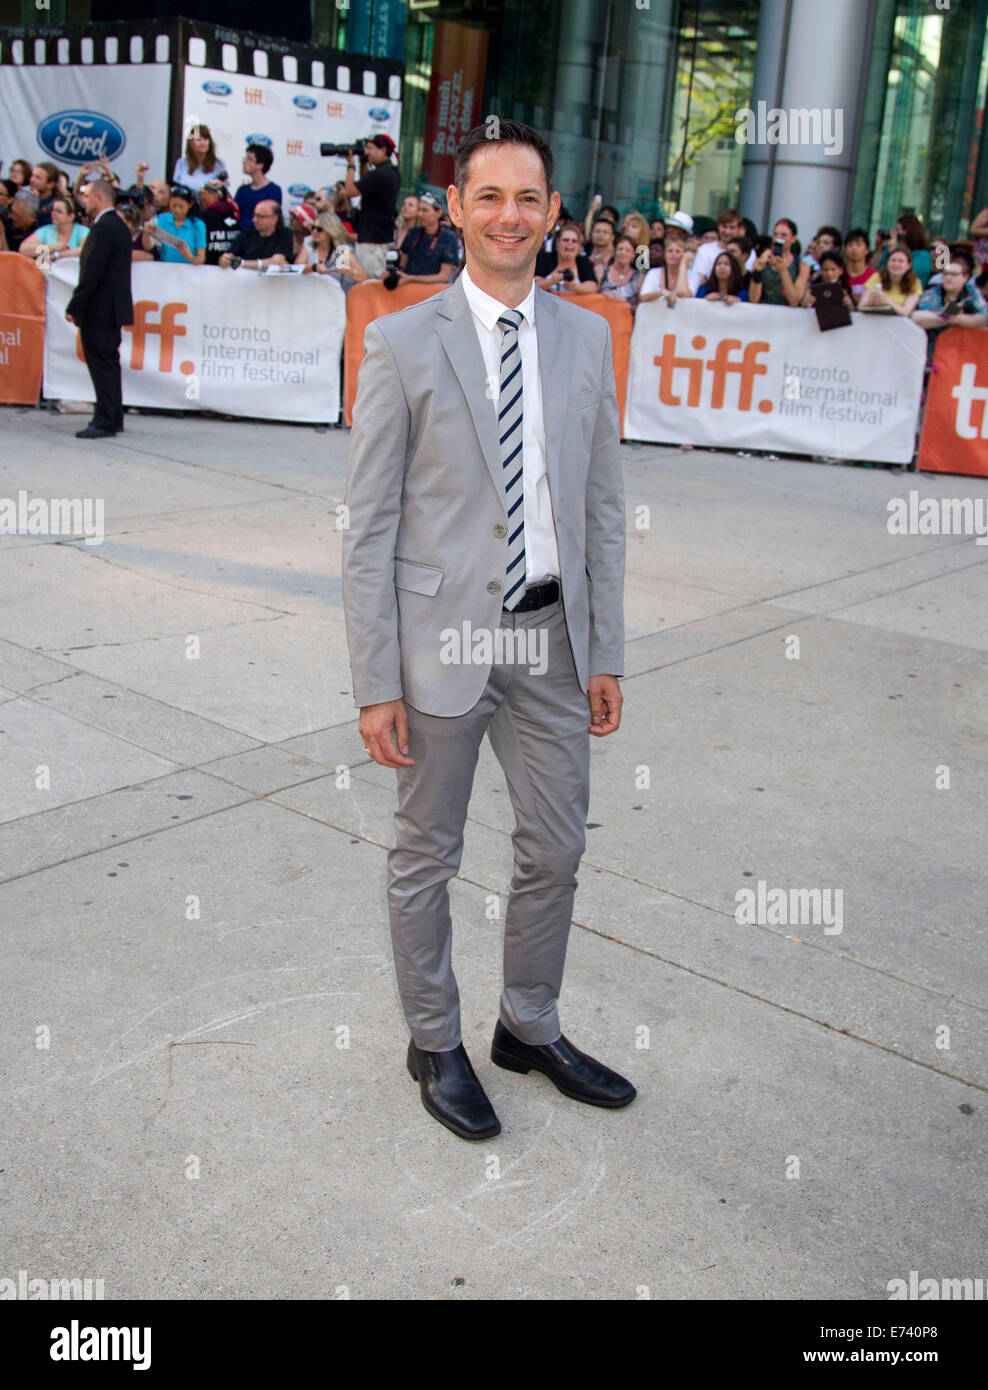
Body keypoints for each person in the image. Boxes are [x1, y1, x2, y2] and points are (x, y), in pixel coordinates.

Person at [342, 117, 634, 1142]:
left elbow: (600, 504)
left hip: (549, 641)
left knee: (555, 847)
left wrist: (605, 651)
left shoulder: (590, 336)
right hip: (442, 646)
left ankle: (529, 1024)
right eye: (490, 197)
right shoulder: (399, 340)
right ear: (456, 208)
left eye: (529, 199)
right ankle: (432, 1039)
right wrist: (376, 680)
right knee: (426, 849)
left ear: (553, 215)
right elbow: (369, 524)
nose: (510, 215)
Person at [64, 179, 133, 440]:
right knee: (110, 364)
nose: (84, 201)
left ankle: (105, 420)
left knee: (102, 365)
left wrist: (75, 305)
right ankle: (113, 416)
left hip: (100, 310)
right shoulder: (117, 226)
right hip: (111, 310)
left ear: (99, 198)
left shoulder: (105, 227)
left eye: (87, 196)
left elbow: (92, 271)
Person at [340, 133, 401, 278]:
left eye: (370, 149)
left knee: (368, 284)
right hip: (373, 238)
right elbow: (365, 181)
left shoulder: (381, 174)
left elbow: (349, 191)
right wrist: (362, 162)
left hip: (372, 241)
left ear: (383, 150)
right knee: (366, 281)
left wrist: (350, 164)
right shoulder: (389, 172)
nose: (366, 152)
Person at [297, 211, 369, 295]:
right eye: (313, 227)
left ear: (330, 232)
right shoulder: (310, 243)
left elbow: (363, 277)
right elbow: (297, 267)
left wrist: (348, 271)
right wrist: (314, 267)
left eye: (319, 229)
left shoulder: (341, 251)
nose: (314, 231)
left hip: (335, 297)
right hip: (312, 294)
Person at [395, 191, 459, 285]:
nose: (420, 214)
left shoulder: (449, 238)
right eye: (419, 210)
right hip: (409, 290)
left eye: (425, 210)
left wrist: (411, 278)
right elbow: (402, 265)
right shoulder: (413, 233)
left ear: (439, 212)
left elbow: (443, 276)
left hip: (433, 294)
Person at [748, 217, 811, 305]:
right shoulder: (761, 261)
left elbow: (794, 301)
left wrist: (783, 270)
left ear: (793, 238)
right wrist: (759, 269)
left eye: (784, 235)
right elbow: (753, 299)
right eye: (775, 234)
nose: (779, 238)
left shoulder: (802, 266)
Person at [218, 199, 292, 268]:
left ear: (274, 219)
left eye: (260, 216)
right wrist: (225, 260)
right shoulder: (246, 235)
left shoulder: (284, 234)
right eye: (255, 215)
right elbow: (227, 256)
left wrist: (242, 263)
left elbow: (276, 261)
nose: (254, 220)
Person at [689, 207, 750, 291]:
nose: (727, 231)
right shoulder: (704, 249)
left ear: (739, 229)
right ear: (718, 226)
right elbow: (699, 279)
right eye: (724, 227)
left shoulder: (748, 251)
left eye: (732, 227)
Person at [143, 185, 206, 265]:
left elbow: (201, 258)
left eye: (181, 206)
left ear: (189, 205)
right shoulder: (163, 218)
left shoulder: (197, 225)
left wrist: (189, 256)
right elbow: (149, 246)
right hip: (167, 268)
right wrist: (146, 233)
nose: (177, 210)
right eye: (174, 205)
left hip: (189, 270)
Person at [18, 192, 88, 262]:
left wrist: (56, 255)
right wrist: (53, 247)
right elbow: (23, 249)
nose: (53, 214)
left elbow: (84, 250)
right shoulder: (46, 230)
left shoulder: (82, 231)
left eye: (59, 211)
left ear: (71, 216)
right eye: (53, 210)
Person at [870, 213, 931, 286]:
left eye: (900, 230)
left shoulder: (922, 256)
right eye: (897, 229)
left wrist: (893, 251)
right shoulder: (889, 249)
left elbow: (902, 273)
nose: (897, 233)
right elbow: (874, 270)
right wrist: (879, 248)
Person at [533, 222, 597, 293]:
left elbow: (592, 287)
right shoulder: (544, 258)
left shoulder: (583, 261)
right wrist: (551, 281)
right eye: (566, 240)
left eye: (574, 241)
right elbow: (535, 285)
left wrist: (573, 286)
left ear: (579, 245)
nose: (570, 243)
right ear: (557, 242)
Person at [859, 247, 921, 315]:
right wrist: (871, 301)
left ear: (908, 266)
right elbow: (861, 306)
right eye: (893, 260)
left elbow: (905, 312)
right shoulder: (877, 277)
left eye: (901, 261)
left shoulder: (914, 282)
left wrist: (886, 301)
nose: (896, 264)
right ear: (887, 263)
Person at [637, 226, 691, 304]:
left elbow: (683, 294)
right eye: (670, 251)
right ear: (665, 254)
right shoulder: (654, 273)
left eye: (678, 251)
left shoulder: (692, 274)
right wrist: (662, 292)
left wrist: (683, 264)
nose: (673, 254)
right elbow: (643, 297)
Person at [235, 144, 282, 230]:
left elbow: (269, 219)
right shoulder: (242, 190)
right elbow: (235, 214)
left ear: (260, 165)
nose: (244, 162)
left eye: (249, 159)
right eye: (245, 158)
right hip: (241, 238)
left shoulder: (273, 190)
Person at [172, 122, 227, 191]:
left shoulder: (219, 164)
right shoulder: (181, 163)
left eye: (205, 139)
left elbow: (223, 188)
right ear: (191, 142)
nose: (203, 143)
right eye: (198, 139)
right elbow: (175, 186)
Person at [197, 180, 240, 265]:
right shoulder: (235, 213)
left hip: (208, 267)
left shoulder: (204, 216)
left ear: (215, 195)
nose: (200, 198)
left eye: (203, 194)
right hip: (229, 266)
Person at [597, 233, 642, 305]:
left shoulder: (639, 276)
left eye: (628, 250)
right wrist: (603, 295)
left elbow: (640, 304)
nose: (623, 252)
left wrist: (625, 302)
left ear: (633, 255)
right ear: (614, 252)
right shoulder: (602, 269)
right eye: (620, 249)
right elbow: (593, 293)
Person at [842, 228, 874, 302]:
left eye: (858, 245)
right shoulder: (839, 273)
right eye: (850, 245)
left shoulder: (874, 276)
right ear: (845, 249)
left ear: (867, 250)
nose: (854, 248)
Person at [587, 216, 616, 282]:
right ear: (591, 234)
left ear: (612, 237)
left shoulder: (617, 260)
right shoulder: (583, 257)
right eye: (597, 231)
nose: (600, 235)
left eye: (605, 232)